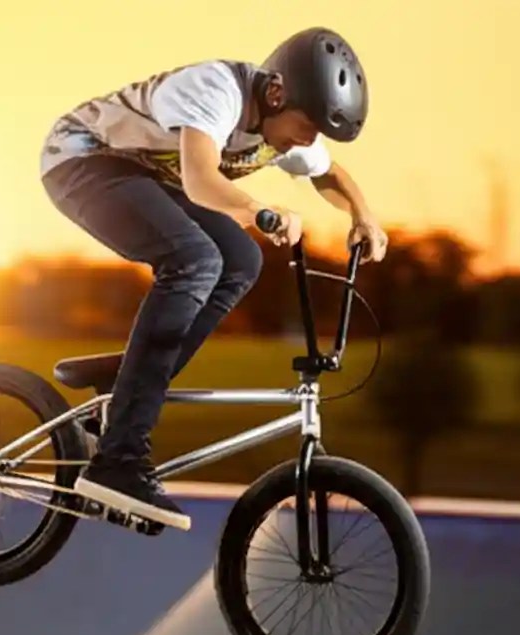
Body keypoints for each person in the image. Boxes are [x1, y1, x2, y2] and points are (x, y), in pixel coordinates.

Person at [39, 26, 390, 531]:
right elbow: (202, 181)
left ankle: (128, 381)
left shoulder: (287, 126)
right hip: (83, 162)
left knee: (241, 261)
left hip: (144, 179)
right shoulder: (215, 91)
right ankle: (119, 459)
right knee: (196, 259)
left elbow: (328, 173)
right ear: (274, 92)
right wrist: (258, 209)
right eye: (306, 125)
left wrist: (364, 215)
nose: (307, 140)